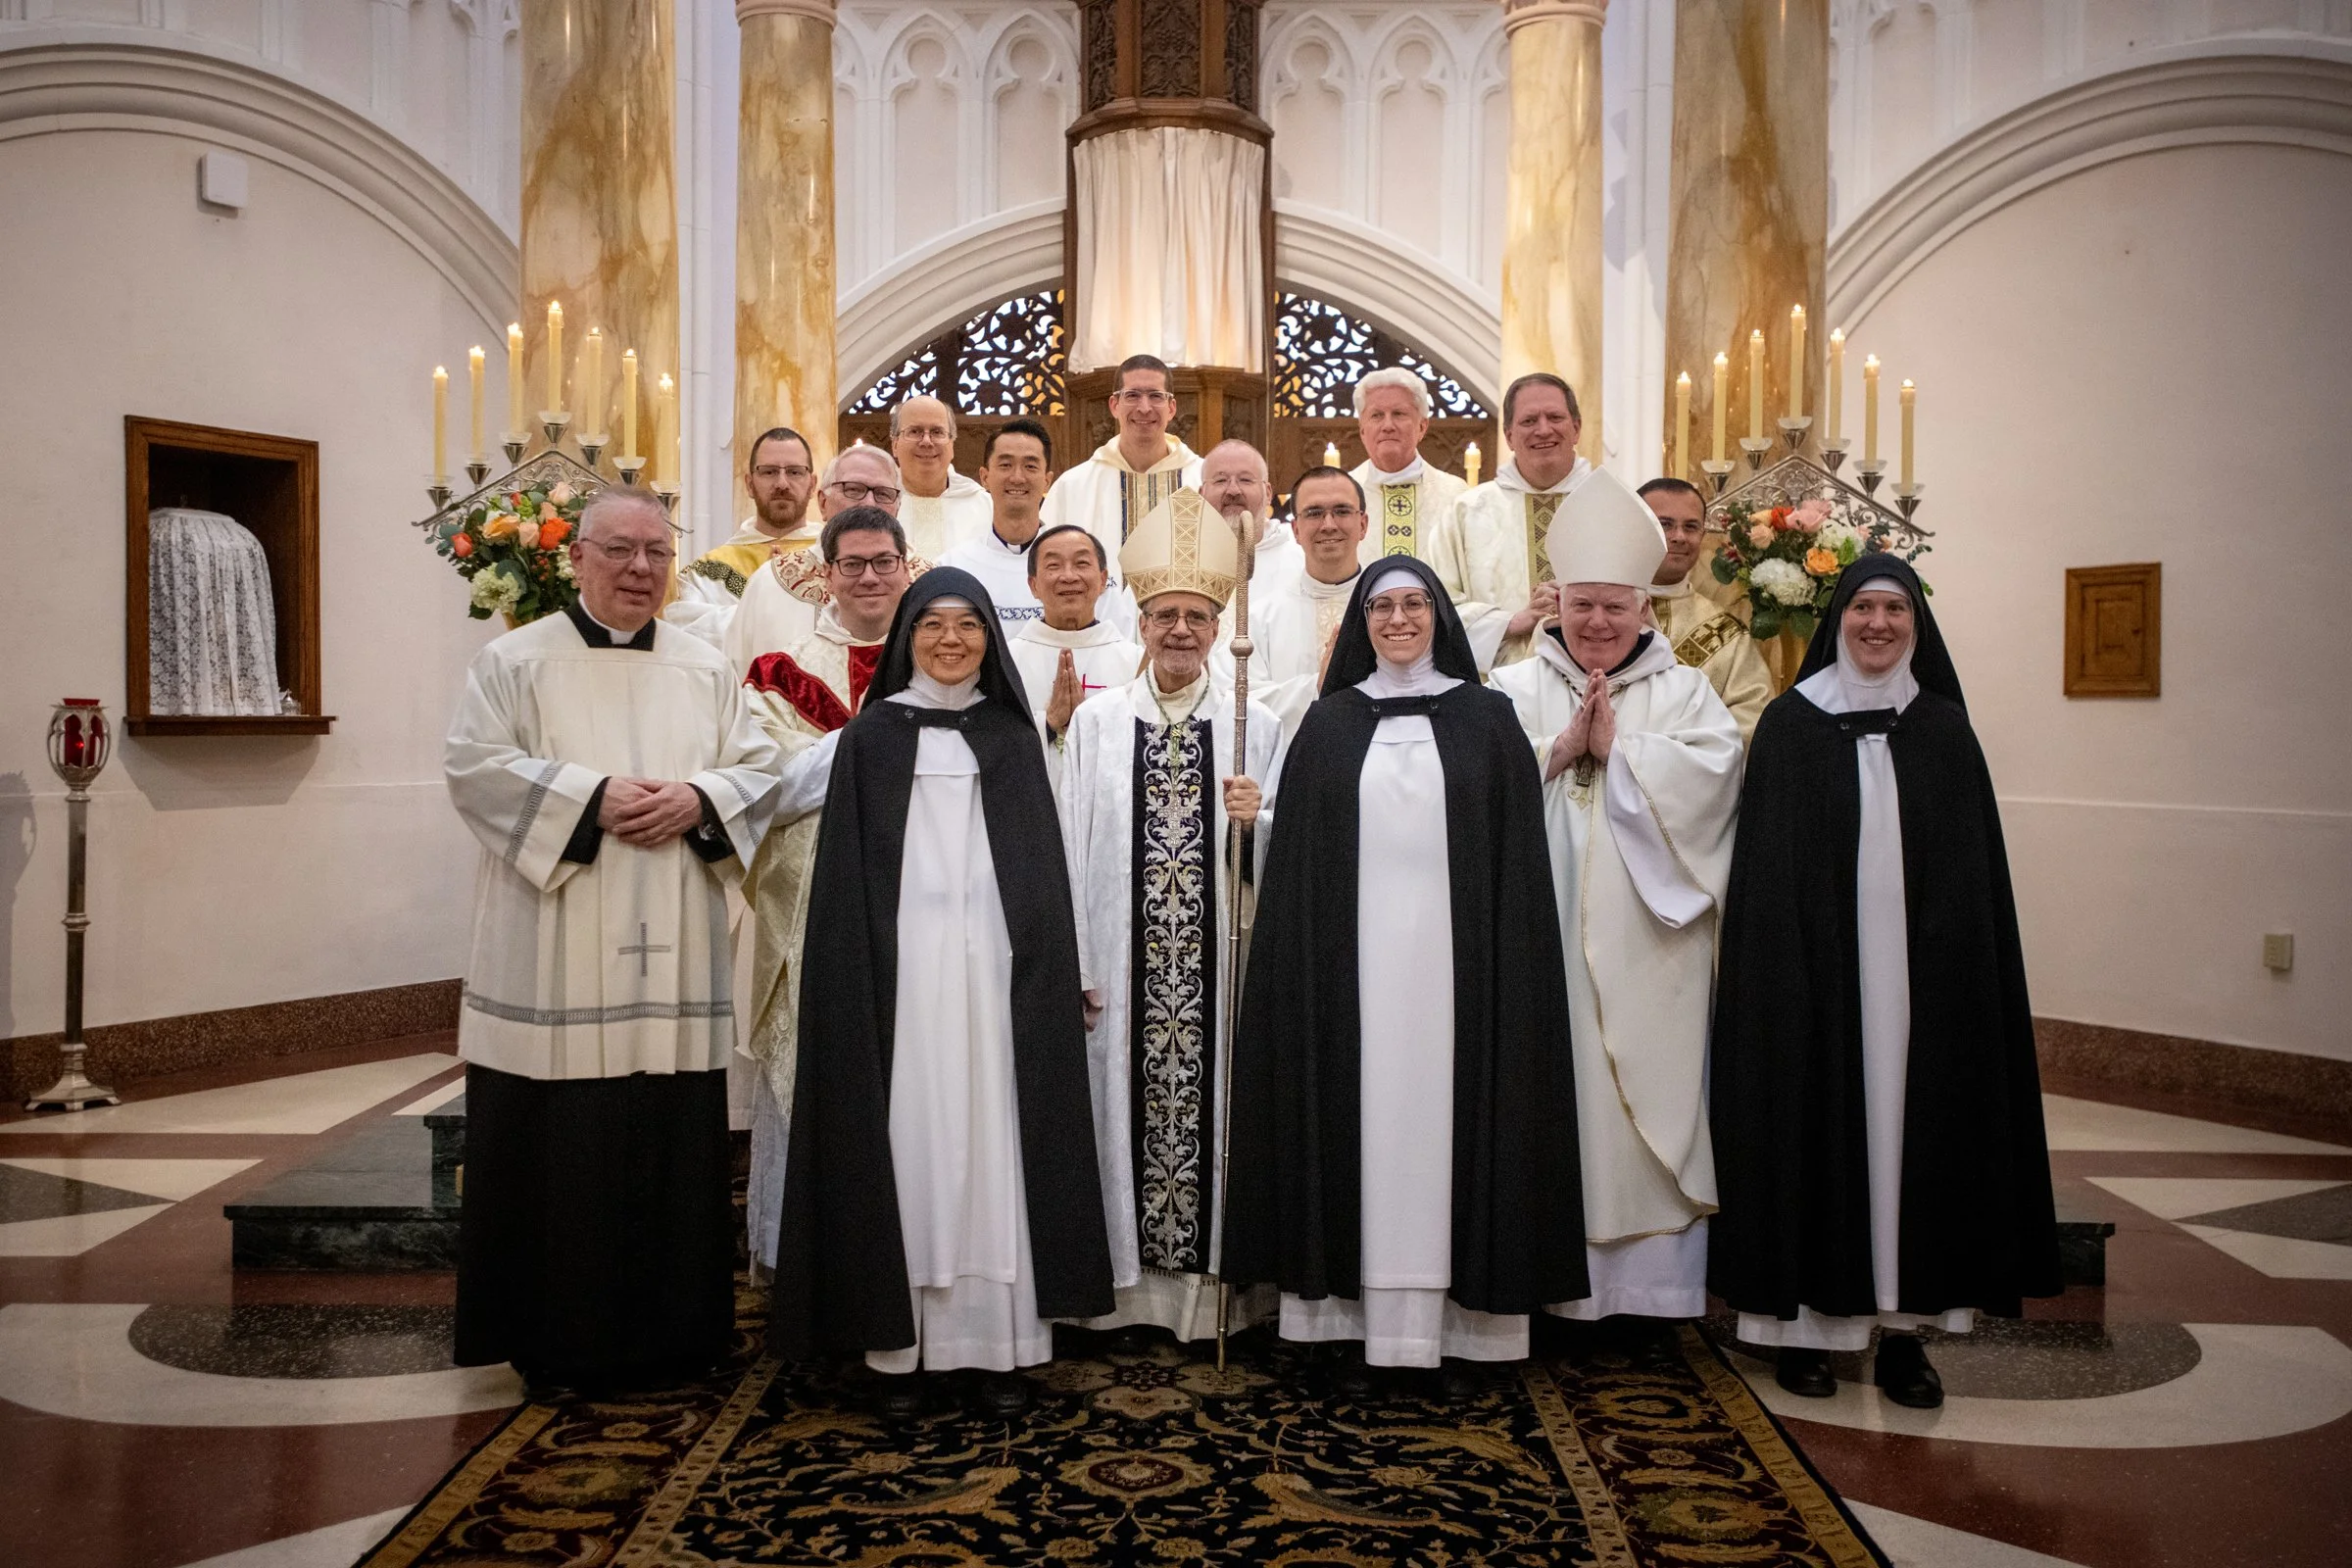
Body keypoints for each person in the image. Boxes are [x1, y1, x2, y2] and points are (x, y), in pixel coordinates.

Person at [444, 487, 782, 1398]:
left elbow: (757, 770)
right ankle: (555, 1344)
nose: (641, 570)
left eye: (657, 555)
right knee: (560, 1151)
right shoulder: (515, 660)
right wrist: (587, 798)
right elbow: (473, 768)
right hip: (551, 942)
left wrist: (700, 799)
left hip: (673, 937)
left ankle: (682, 1335)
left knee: (670, 1138)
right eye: (622, 552)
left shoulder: (707, 668)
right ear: (578, 558)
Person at [1223, 558, 1588, 1398]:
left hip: (1462, 972)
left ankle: (1466, 1337)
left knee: (1452, 1132)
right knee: (1358, 1127)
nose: (1397, 620)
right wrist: (1260, 817)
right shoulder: (1331, 722)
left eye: (1413, 604)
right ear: (1360, 624)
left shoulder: (1487, 719)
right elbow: (1306, 849)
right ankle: (1346, 1328)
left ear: (1439, 618)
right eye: (1380, 607)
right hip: (1348, 973)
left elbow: (1513, 863)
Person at [1708, 557, 2060, 1409]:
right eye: (1862, 607)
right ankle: (1802, 1336)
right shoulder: (1791, 727)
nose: (1877, 624)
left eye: (1894, 610)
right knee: (1814, 1125)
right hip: (1818, 981)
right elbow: (1765, 871)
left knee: (1919, 1138)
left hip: (1924, 984)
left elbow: (1976, 881)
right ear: (1837, 621)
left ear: (1916, 625)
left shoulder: (1943, 730)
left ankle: (1907, 1338)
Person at [769, 568, 1114, 1419]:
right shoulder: (871, 740)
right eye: (933, 626)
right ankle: (899, 1349)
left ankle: (998, 1347)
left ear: (991, 640)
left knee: (997, 1140)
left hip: (1000, 981)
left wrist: (1055, 972)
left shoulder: (1009, 736)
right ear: (906, 638)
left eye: (969, 626)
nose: (951, 640)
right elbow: (844, 886)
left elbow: (1043, 873)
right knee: (910, 1138)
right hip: (901, 984)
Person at [1490, 468, 1743, 1325]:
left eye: (1615, 607)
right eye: (1583, 604)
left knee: (1647, 1106)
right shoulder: (1512, 691)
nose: (1597, 623)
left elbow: (1718, 782)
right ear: (1556, 602)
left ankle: (1649, 1298)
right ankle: (1545, 1283)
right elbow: (1474, 794)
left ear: (1645, 608)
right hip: (1537, 939)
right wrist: (1554, 753)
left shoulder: (1686, 692)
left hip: (1653, 947)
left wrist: (1626, 756)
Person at [1058, 486, 1282, 1341]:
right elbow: (1072, 846)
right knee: (1118, 1117)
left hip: (1224, 970)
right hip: (1121, 970)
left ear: (1220, 624)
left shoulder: (1253, 722)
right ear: (1140, 622)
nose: (1181, 630)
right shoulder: (1100, 724)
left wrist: (1255, 819)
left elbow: (1290, 850)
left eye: (1196, 615)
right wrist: (1079, 963)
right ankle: (1126, 1298)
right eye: (1164, 615)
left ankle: (1209, 1300)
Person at [736, 505, 912, 1272]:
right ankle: (807, 1254)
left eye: (883, 562)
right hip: (813, 904)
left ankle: (914, 1248)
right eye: (853, 565)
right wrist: (881, 732)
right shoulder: (782, 672)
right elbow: (767, 788)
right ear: (825, 575)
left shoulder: (945, 656)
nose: (869, 578)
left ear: (908, 568)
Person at [1428, 372, 1596, 671]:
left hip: (1598, 680)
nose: (1543, 430)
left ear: (1577, 428)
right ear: (1508, 436)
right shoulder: (1467, 512)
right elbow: (1434, 607)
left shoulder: (1609, 505)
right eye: (1529, 421)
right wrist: (1510, 622)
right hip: (1495, 692)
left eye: (1555, 417)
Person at [939, 418, 1135, 645]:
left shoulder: (1085, 571)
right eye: (1005, 465)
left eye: (1030, 466)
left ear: (1047, 481)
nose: (1017, 477)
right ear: (984, 477)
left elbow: (1118, 649)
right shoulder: (955, 567)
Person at [725, 442, 906, 676]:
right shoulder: (770, 583)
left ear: (898, 507)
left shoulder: (923, 583)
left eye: (883, 494)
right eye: (853, 489)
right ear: (822, 502)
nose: (869, 503)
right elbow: (736, 675)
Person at [1640, 477, 1773, 742]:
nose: (1678, 537)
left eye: (1690, 527)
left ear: (1702, 534)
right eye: (1664, 524)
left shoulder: (1727, 632)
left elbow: (1753, 717)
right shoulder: (1594, 615)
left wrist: (1680, 752)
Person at [1245, 466, 1365, 729]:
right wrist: (1316, 687)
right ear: (1296, 530)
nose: (1329, 524)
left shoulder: (1388, 609)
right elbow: (1242, 703)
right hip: (1293, 766)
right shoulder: (1261, 619)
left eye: (1342, 511)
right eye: (1314, 513)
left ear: (1363, 524)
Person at [1008, 523, 1143, 754]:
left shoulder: (1134, 663)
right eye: (1053, 565)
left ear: (1102, 580)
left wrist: (1089, 723)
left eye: (1081, 563)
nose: (1068, 576)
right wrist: (1048, 724)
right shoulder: (1008, 660)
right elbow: (997, 742)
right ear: (1034, 586)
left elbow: (1142, 744)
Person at [1040, 353, 1202, 544]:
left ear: (1171, 408)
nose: (1144, 408)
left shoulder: (1203, 479)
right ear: (1114, 405)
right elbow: (1045, 560)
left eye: (1156, 396)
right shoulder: (1073, 486)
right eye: (1132, 395)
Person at [679, 426, 818, 612]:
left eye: (795, 472)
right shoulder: (707, 573)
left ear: (812, 485)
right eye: (769, 472)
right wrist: (761, 592)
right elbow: (690, 626)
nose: (782, 484)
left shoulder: (836, 558)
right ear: (750, 485)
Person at [1348, 367, 1468, 565]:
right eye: (1376, 415)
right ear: (1362, 430)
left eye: (1399, 414)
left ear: (1422, 426)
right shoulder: (1344, 494)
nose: (1387, 425)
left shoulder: (1455, 495)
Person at [1200, 439, 1301, 604]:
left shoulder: (1300, 561)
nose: (1233, 490)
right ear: (1201, 493)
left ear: (1268, 493)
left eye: (1245, 480)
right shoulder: (1182, 560)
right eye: (1220, 480)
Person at [892, 394, 992, 560]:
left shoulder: (985, 507)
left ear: (952, 444)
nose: (926, 441)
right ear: (895, 444)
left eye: (937, 432)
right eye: (914, 431)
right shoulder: (876, 502)